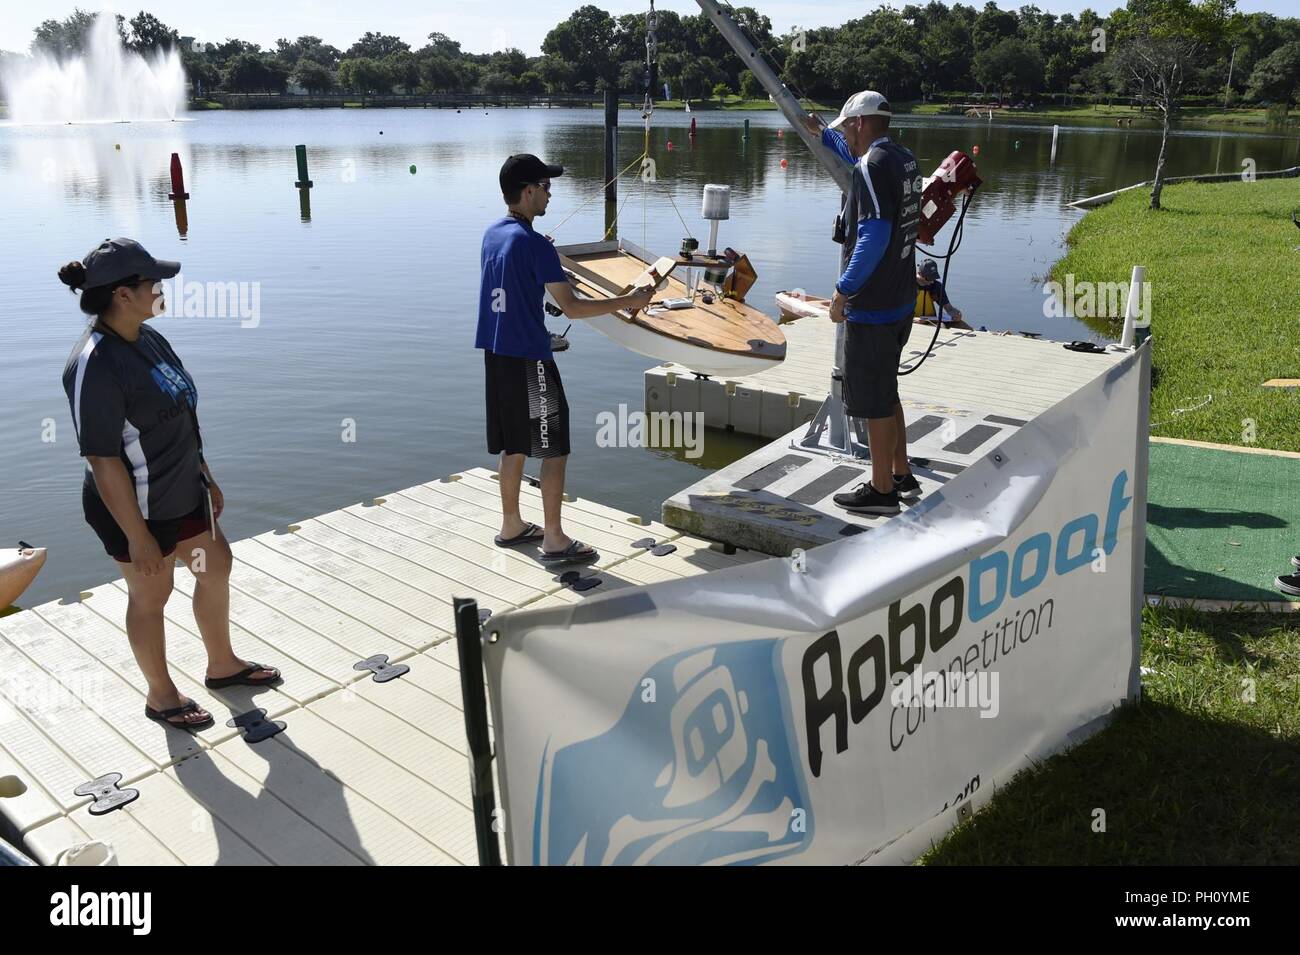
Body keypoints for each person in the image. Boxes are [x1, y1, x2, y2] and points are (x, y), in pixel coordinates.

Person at [59, 238, 281, 732]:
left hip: (182, 492)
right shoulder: (95, 364)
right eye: (153, 284)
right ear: (122, 294)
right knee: (151, 595)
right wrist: (137, 536)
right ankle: (162, 697)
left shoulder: (148, 336)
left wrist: (206, 474)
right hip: (133, 506)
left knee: (214, 565)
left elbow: (180, 411)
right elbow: (101, 458)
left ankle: (222, 666)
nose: (162, 290)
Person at [476, 155, 654, 564]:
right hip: (530, 359)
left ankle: (511, 526)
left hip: (496, 355)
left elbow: (514, 279)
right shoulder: (535, 245)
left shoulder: (493, 235)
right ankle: (554, 540)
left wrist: (545, 263)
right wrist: (631, 300)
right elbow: (571, 308)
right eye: (545, 185)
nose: (550, 191)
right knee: (554, 449)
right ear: (528, 191)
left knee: (514, 446)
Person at [799, 91, 922, 514]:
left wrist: (841, 291)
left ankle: (882, 490)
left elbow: (873, 236)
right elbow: (861, 166)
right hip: (903, 297)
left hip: (874, 304)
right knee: (888, 391)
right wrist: (823, 136)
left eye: (845, 128)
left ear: (859, 123)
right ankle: (901, 473)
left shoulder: (871, 166)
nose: (845, 136)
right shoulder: (902, 159)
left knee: (871, 401)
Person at [914, 259, 970, 330]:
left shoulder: (937, 286)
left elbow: (949, 308)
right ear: (920, 274)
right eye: (929, 278)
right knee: (942, 327)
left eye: (933, 278)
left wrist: (956, 314)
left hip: (930, 320)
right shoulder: (908, 285)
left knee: (962, 326)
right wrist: (915, 319)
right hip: (911, 322)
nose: (931, 281)